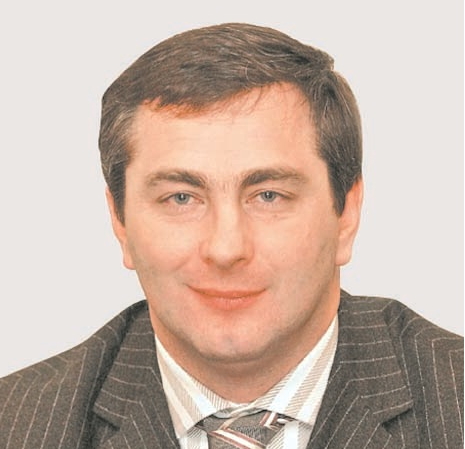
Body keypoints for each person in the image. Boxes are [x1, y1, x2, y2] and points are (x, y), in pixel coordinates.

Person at [0, 22, 462, 449]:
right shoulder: (16, 423)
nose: (225, 249)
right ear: (119, 221)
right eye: (181, 198)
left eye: (269, 196)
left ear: (347, 214)